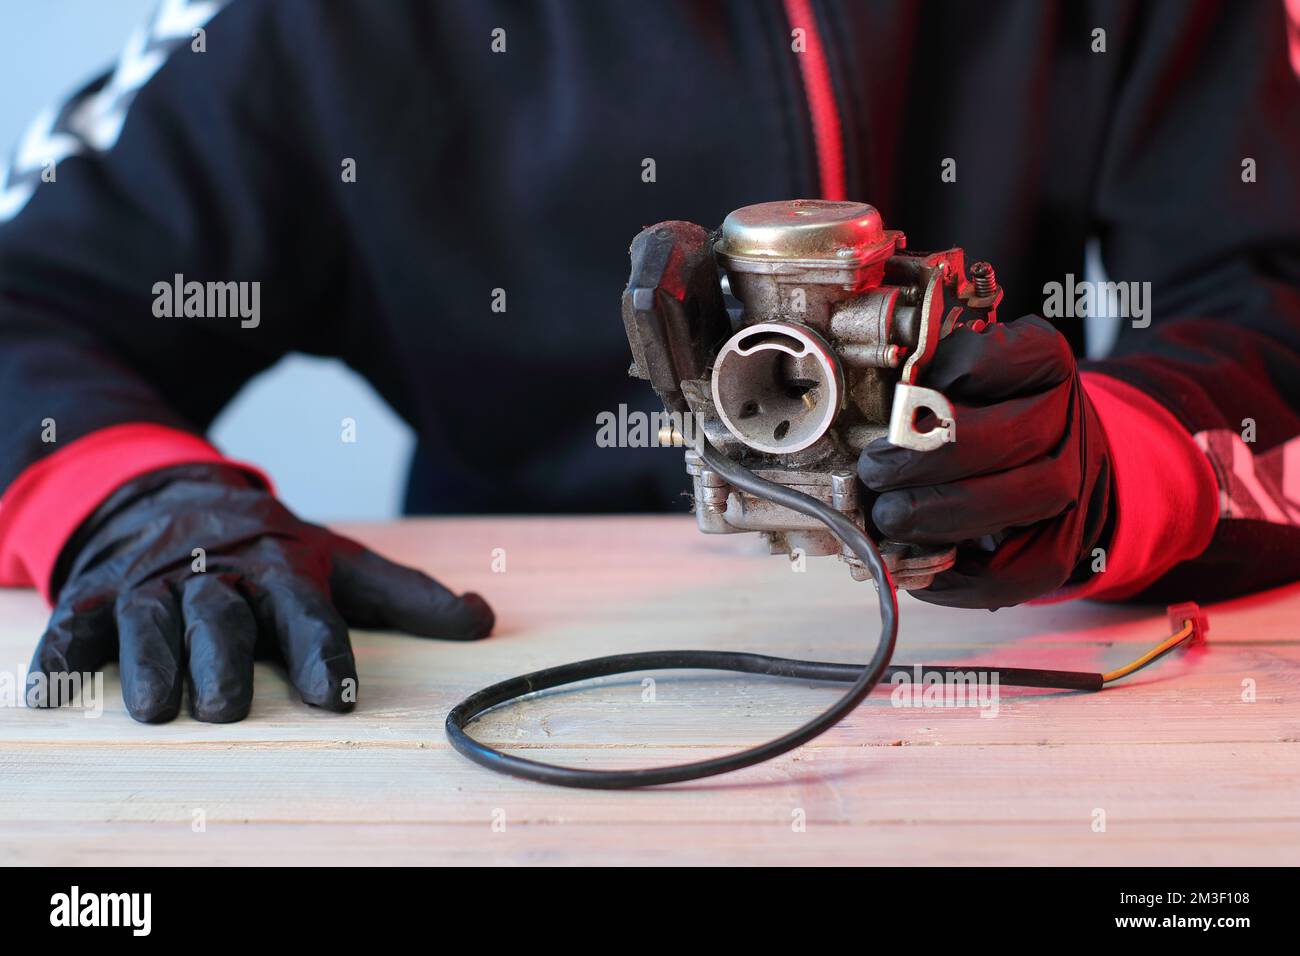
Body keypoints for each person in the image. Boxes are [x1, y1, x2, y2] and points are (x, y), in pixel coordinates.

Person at [1, 0, 1297, 723]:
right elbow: (26, 302)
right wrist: (133, 502)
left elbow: (1275, 284)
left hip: (1011, 701)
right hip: (490, 692)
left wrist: (1117, 471)